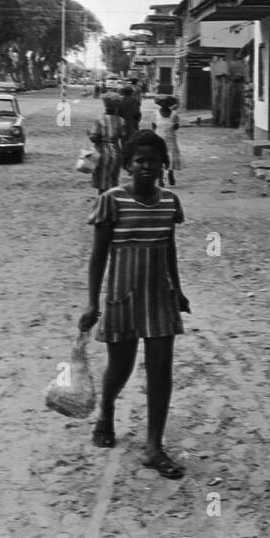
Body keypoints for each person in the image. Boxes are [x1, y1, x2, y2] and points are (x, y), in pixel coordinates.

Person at [78, 130, 190, 479]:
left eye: (153, 161)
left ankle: (154, 445)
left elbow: (169, 248)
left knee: (161, 369)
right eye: (139, 161)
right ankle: (107, 409)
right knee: (120, 366)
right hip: (122, 295)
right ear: (127, 165)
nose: (146, 166)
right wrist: (92, 302)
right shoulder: (112, 200)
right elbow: (98, 256)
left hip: (160, 295)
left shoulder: (170, 201)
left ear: (162, 164)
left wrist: (179, 289)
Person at [89, 94, 125, 196]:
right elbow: (123, 137)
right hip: (116, 153)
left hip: (102, 153)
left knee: (102, 181)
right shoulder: (121, 120)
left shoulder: (99, 119)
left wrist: (90, 134)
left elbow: (95, 138)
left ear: (105, 104)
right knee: (113, 179)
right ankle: (112, 202)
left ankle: (102, 202)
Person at [150, 95, 182, 186]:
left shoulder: (174, 115)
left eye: (167, 103)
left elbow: (176, 127)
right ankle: (160, 179)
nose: (164, 104)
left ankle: (170, 175)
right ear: (159, 104)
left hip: (171, 139)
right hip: (159, 139)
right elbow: (154, 127)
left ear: (170, 104)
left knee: (171, 158)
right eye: (162, 103)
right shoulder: (155, 114)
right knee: (159, 159)